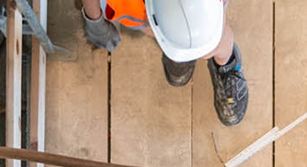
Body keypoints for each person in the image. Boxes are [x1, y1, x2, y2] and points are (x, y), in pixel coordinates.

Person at [80, 0, 250, 127]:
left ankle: (227, 64)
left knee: (217, 41)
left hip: (204, 10)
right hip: (139, 11)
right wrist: (94, 19)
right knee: (148, 28)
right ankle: (178, 48)